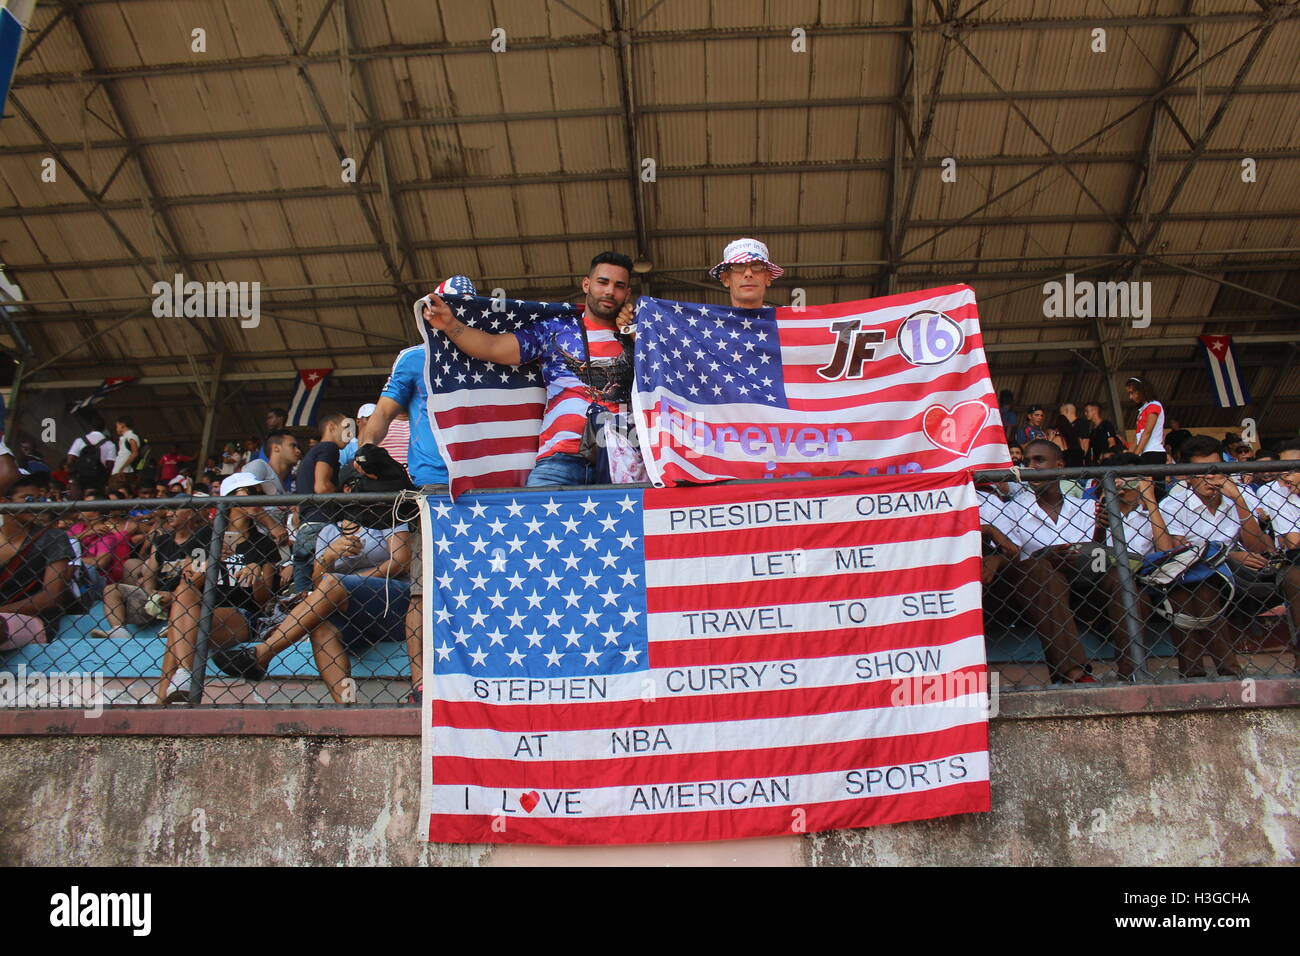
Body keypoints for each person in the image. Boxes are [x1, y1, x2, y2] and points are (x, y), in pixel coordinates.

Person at [417, 254, 637, 487]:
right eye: (603, 282)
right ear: (586, 284)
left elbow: (667, 377)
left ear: (627, 293)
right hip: (561, 459)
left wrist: (635, 333)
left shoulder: (641, 336)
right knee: (533, 521)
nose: (610, 291)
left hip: (627, 458)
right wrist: (451, 325)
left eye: (619, 286)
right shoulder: (555, 329)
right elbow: (493, 347)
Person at [211, 464, 412, 703]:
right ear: (349, 489)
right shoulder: (328, 531)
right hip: (353, 614)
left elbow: (400, 562)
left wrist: (347, 583)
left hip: (393, 603)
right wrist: (328, 558)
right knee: (321, 627)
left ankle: (263, 653)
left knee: (334, 583)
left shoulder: (388, 516)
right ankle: (348, 707)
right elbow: (319, 582)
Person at [987, 439, 1135, 682]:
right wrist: (1046, 556)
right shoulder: (1012, 510)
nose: (1031, 467)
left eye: (1039, 460)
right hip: (1037, 594)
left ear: (1060, 465)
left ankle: (1133, 671)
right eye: (1026, 462)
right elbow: (1011, 558)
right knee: (1040, 569)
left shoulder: (1086, 507)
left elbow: (1095, 555)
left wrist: (1100, 529)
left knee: (1119, 576)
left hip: (1084, 585)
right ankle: (1074, 673)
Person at [1156, 435, 1281, 676]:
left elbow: (1256, 547)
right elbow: (1180, 556)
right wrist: (1230, 556)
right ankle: (1226, 671)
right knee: (1203, 581)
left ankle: (1223, 669)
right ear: (1188, 476)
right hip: (1201, 575)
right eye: (1201, 472)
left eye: (1214, 470)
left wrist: (1238, 500)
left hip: (1244, 576)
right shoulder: (1173, 505)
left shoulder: (1239, 494)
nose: (1210, 478)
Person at [155, 473, 278, 704]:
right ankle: (181, 678)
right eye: (250, 492)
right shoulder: (206, 536)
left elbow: (262, 601)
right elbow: (192, 581)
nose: (257, 498)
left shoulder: (262, 543)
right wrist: (210, 560)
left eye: (258, 493)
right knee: (183, 595)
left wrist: (257, 575)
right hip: (199, 611)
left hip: (241, 614)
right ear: (231, 498)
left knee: (176, 626)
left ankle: (169, 690)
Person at [90, 495, 212, 641]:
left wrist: (173, 596)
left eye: (174, 510)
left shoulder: (202, 540)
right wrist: (151, 593)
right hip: (157, 596)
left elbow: (196, 577)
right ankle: (119, 630)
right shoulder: (161, 540)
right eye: (168, 510)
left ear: (189, 514)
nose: (168, 514)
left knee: (184, 594)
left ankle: (176, 625)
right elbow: (150, 574)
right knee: (112, 590)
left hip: (185, 597)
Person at [0, 470, 75, 639]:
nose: (35, 505)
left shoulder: (52, 537)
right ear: (4, 502)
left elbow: (51, 597)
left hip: (33, 620)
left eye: (39, 500)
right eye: (28, 499)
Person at [292, 412, 348, 592]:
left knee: (303, 594)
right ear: (332, 426)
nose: (350, 434)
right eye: (346, 428)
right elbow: (322, 486)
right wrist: (345, 498)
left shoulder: (311, 454)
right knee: (322, 589)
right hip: (322, 526)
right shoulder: (329, 448)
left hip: (305, 527)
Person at [709, 236, 784, 310]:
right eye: (738, 266)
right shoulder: (707, 321)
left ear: (768, 278)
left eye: (756, 266)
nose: (748, 274)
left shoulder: (789, 320)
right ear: (726, 279)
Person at [65, 419, 116, 495]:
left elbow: (70, 461)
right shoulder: (110, 444)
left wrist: (71, 478)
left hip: (80, 479)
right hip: (98, 480)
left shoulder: (79, 441)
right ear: (104, 428)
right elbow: (110, 465)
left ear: (91, 427)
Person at [1126, 377, 1167, 465]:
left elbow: (1147, 433)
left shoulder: (1154, 405)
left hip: (1154, 452)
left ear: (1141, 390)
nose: (1130, 397)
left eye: (1132, 393)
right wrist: (1127, 458)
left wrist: (1135, 456)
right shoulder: (1143, 409)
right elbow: (1137, 438)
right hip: (1145, 453)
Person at [338, 403, 375, 469]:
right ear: (358, 421)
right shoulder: (347, 445)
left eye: (378, 419)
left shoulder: (385, 443)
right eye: (370, 419)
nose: (375, 422)